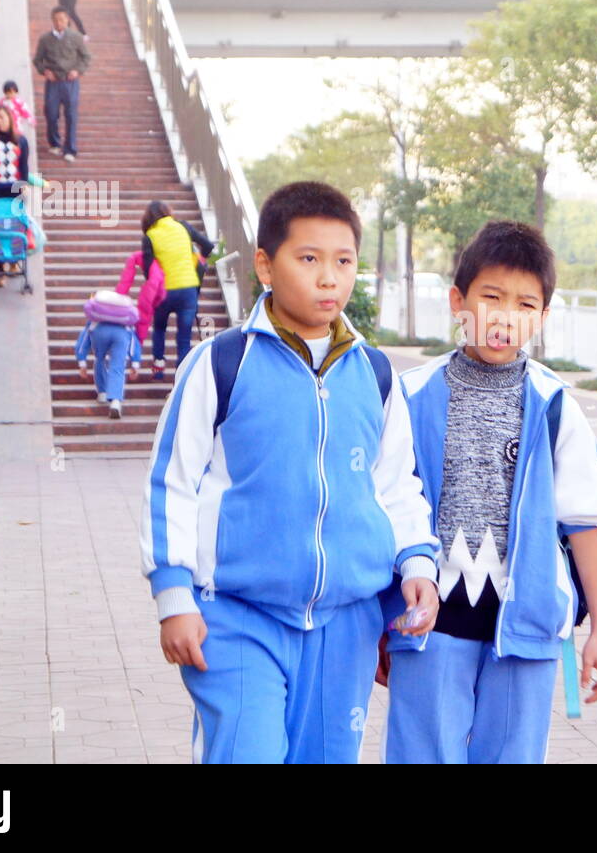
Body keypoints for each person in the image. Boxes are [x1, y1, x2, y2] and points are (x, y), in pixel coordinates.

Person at [141, 180, 439, 764]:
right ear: (266, 265)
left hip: (346, 625)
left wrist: (417, 564)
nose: (329, 277)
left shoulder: (376, 376)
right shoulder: (222, 361)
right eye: (308, 259)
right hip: (235, 614)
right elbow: (172, 481)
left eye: (344, 261)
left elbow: (396, 486)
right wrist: (173, 593)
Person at [383, 221, 597, 764]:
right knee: (423, 752)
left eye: (525, 305)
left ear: (542, 317)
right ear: (458, 301)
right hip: (430, 618)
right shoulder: (411, 394)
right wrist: (381, 615)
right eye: (491, 297)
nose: (505, 317)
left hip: (527, 619)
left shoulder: (554, 404)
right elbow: (389, 504)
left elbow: (584, 519)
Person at [139, 201, 215, 379]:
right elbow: (208, 246)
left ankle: (158, 364)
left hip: (163, 292)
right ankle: (181, 378)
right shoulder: (184, 227)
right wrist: (199, 261)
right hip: (188, 289)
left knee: (159, 328)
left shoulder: (149, 236)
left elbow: (148, 269)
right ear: (168, 212)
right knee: (184, 337)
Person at [0, 104, 46, 285]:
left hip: (16, 192)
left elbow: (24, 166)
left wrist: (24, 184)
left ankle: (15, 262)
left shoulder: (21, 141)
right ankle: (1, 271)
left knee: (17, 227)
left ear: (9, 118)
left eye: (2, 117)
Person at [32, 5, 89, 163]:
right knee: (51, 113)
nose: (59, 22)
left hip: (70, 82)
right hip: (53, 82)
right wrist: (45, 71)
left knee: (71, 114)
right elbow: (37, 60)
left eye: (62, 19)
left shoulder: (76, 37)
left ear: (67, 20)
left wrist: (77, 71)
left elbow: (86, 57)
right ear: (52, 20)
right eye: (56, 19)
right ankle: (54, 143)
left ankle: (70, 149)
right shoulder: (45, 39)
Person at [75, 300, 142, 419]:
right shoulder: (124, 319)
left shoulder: (96, 317)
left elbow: (84, 340)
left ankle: (102, 392)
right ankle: (115, 402)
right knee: (117, 366)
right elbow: (133, 341)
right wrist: (135, 363)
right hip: (121, 334)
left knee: (99, 358)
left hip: (99, 332)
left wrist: (82, 362)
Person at [117, 250, 165, 346]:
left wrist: (119, 296)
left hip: (153, 288)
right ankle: (138, 345)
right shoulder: (156, 273)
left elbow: (125, 281)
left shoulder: (154, 275)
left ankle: (137, 345)